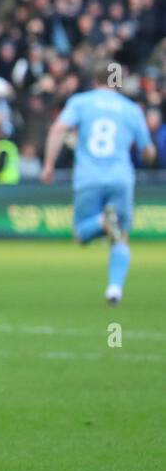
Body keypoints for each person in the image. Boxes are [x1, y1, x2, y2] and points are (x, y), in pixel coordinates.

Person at [41, 64, 156, 305]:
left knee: (81, 234)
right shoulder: (131, 109)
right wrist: (147, 156)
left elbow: (59, 128)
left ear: (95, 81)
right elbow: (148, 151)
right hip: (120, 178)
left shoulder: (81, 102)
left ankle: (102, 222)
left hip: (88, 178)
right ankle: (114, 289)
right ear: (119, 83)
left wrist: (49, 164)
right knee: (121, 237)